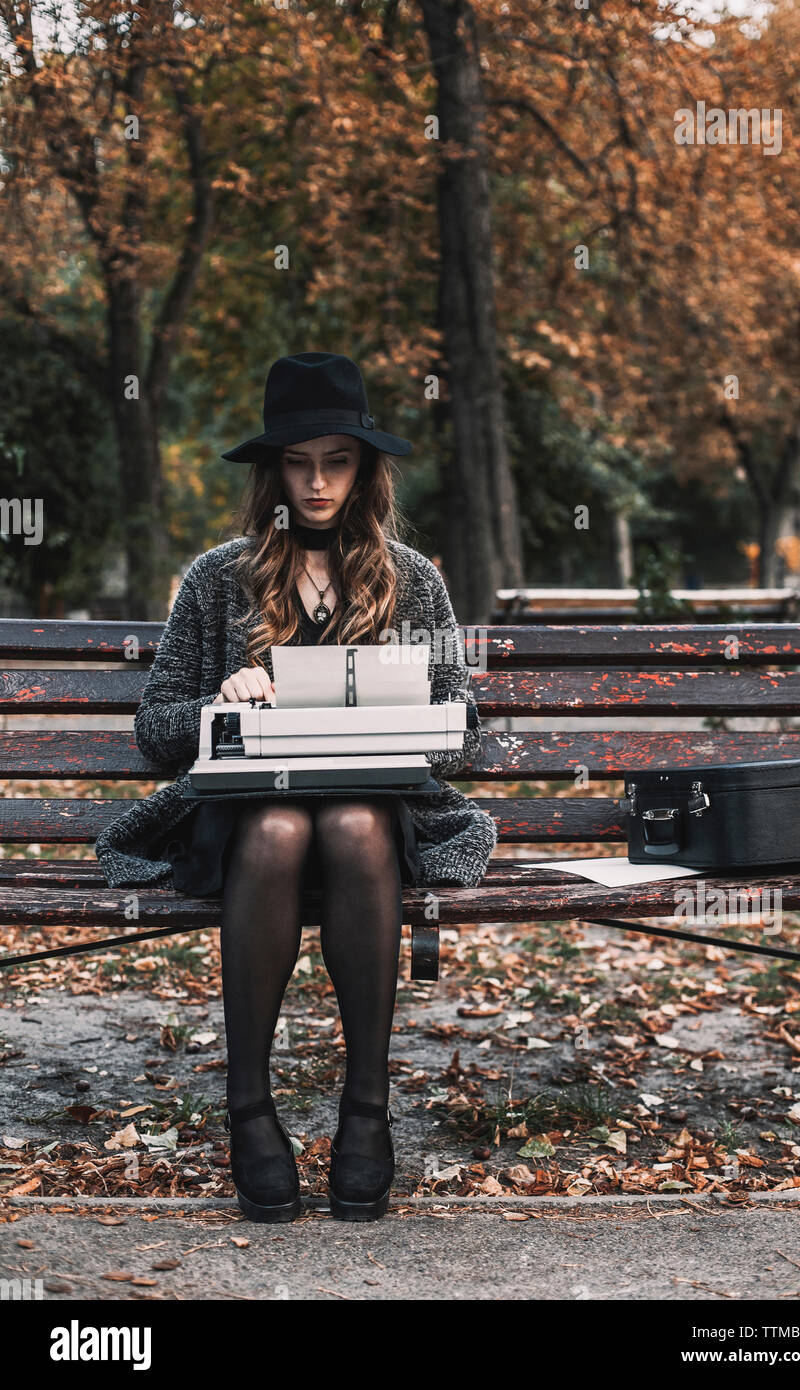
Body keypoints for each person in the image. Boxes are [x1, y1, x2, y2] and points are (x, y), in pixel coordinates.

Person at [94, 352, 498, 1224]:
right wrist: (221, 699)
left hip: (373, 818)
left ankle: (365, 1111)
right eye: (299, 462)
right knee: (281, 826)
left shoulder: (411, 578)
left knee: (351, 823)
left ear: (365, 468)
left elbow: (463, 731)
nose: (317, 483)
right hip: (250, 822)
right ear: (272, 470)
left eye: (337, 461)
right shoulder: (218, 577)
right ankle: (251, 1110)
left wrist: (412, 697)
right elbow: (155, 727)